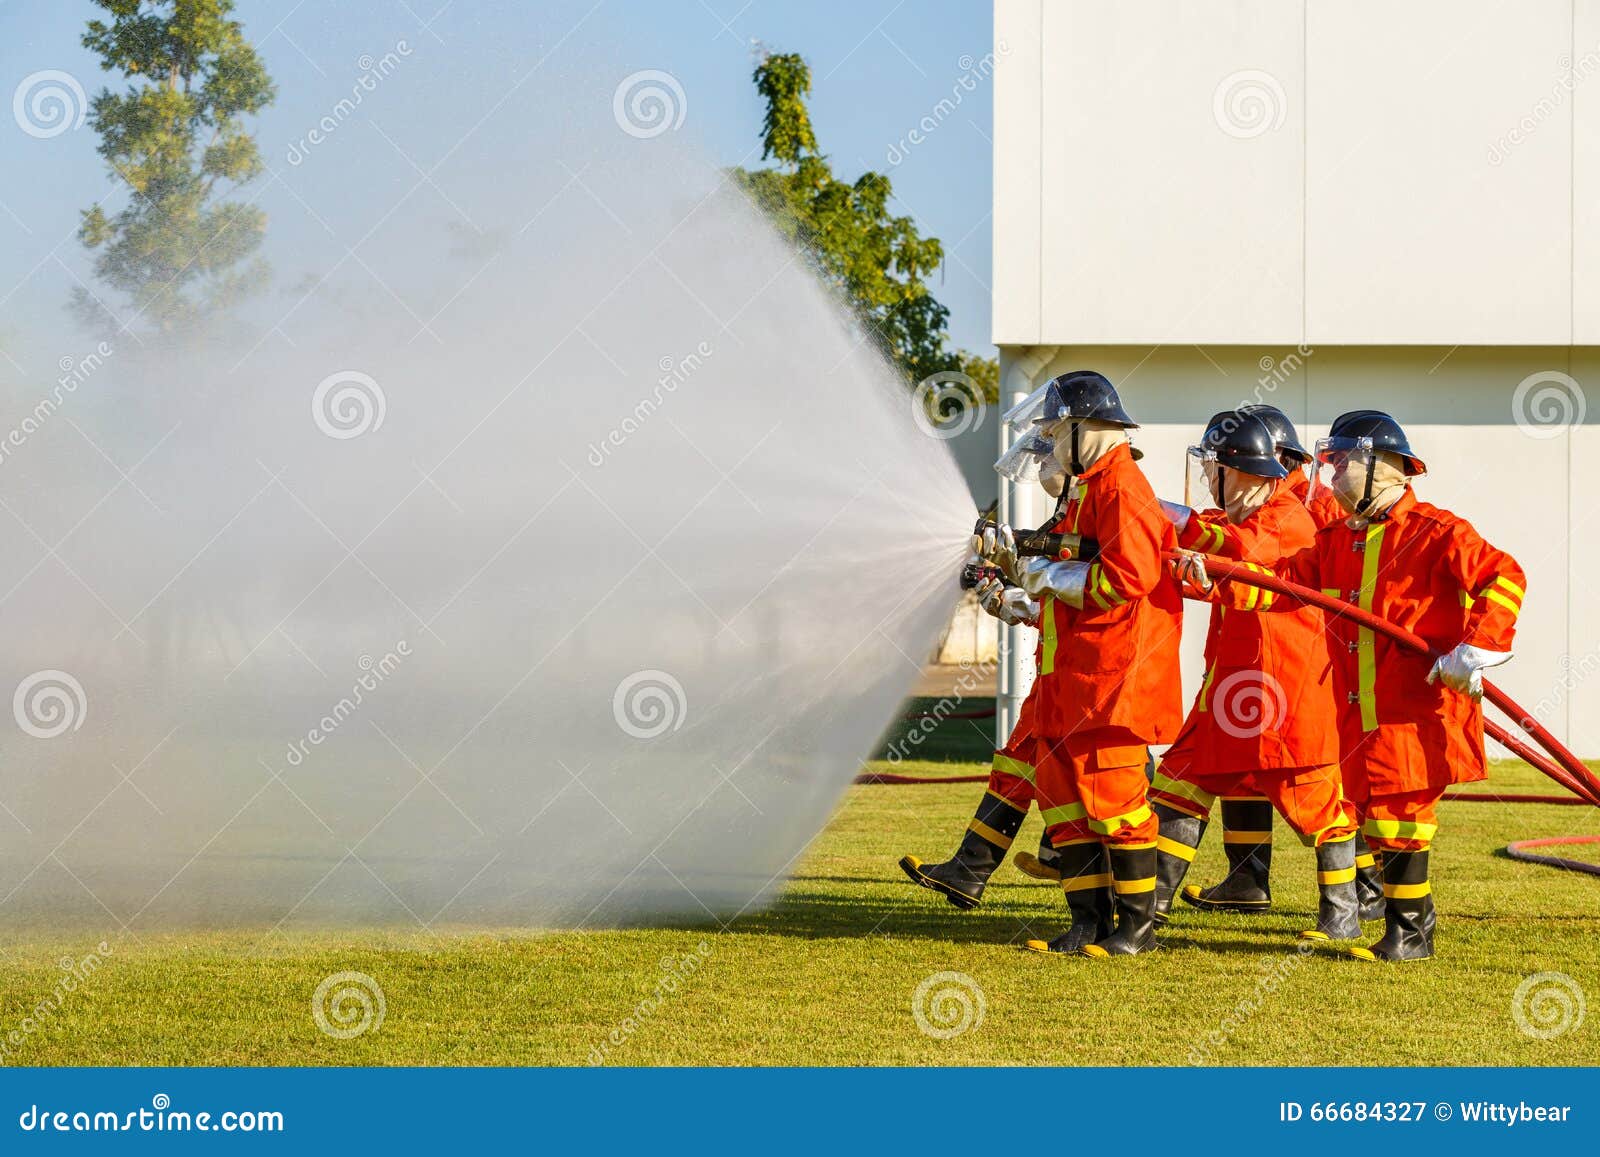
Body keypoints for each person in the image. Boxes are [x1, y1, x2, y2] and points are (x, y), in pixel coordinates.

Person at [1175, 410, 1525, 961]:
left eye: (1341, 464)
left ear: (1381, 468)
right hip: (1359, 713)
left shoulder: (1437, 532)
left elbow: (1503, 576)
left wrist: (1479, 647)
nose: (1330, 475)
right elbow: (1285, 586)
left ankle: (1411, 935)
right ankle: (1407, 926)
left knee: (1402, 818)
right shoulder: (1339, 538)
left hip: (1413, 706)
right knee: (1376, 818)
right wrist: (1218, 578)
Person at [978, 370, 1184, 958]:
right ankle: (1087, 923)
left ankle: (1137, 929)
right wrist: (1027, 562)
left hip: (1114, 678)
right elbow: (1073, 557)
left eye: (1051, 427)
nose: (1044, 437)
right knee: (1065, 800)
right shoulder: (1091, 486)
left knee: (1117, 802)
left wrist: (1042, 574)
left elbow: (1130, 576)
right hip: (1076, 676)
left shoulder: (1121, 486)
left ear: (1079, 428)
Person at [1166, 404, 1384, 921]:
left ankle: (1349, 909)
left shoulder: (1285, 517)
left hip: (1278, 683)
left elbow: (1233, 552)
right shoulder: (1267, 511)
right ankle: (1166, 905)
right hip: (1242, 678)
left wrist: (1159, 518)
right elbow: (1216, 544)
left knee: (1313, 798)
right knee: (1193, 779)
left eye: (1214, 465)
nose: (1207, 477)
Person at [898, 433, 1071, 909]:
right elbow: (1049, 594)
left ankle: (1131, 896)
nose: (1042, 468)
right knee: (1018, 763)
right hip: (1060, 669)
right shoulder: (1071, 513)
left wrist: (1003, 593)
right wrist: (997, 586)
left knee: (1110, 774)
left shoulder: (1092, 512)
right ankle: (968, 871)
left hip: (1086, 672)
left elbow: (1069, 599)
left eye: (1048, 457)